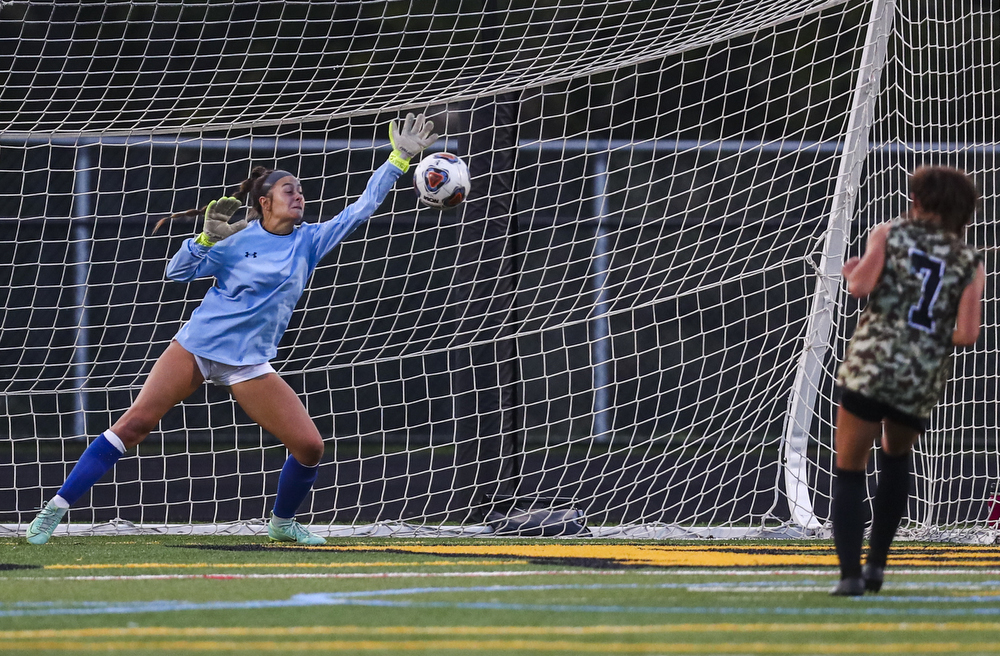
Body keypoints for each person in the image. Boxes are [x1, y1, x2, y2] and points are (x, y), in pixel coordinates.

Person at [25, 113, 439, 545]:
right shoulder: (236, 237)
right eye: (288, 190)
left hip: (248, 364)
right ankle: (53, 511)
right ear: (265, 201)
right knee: (134, 425)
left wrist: (398, 160)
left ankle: (282, 523)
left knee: (310, 447)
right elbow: (176, 273)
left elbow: (362, 208)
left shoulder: (310, 240)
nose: (298, 195)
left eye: (300, 189)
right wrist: (205, 239)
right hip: (197, 347)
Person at [830, 165, 985, 595]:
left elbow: (860, 286)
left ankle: (849, 577)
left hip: (872, 366)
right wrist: (928, 338)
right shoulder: (971, 262)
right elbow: (968, 335)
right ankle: (877, 565)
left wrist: (851, 270)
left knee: (849, 467)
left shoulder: (889, 233)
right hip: (920, 375)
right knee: (895, 457)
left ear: (917, 202)